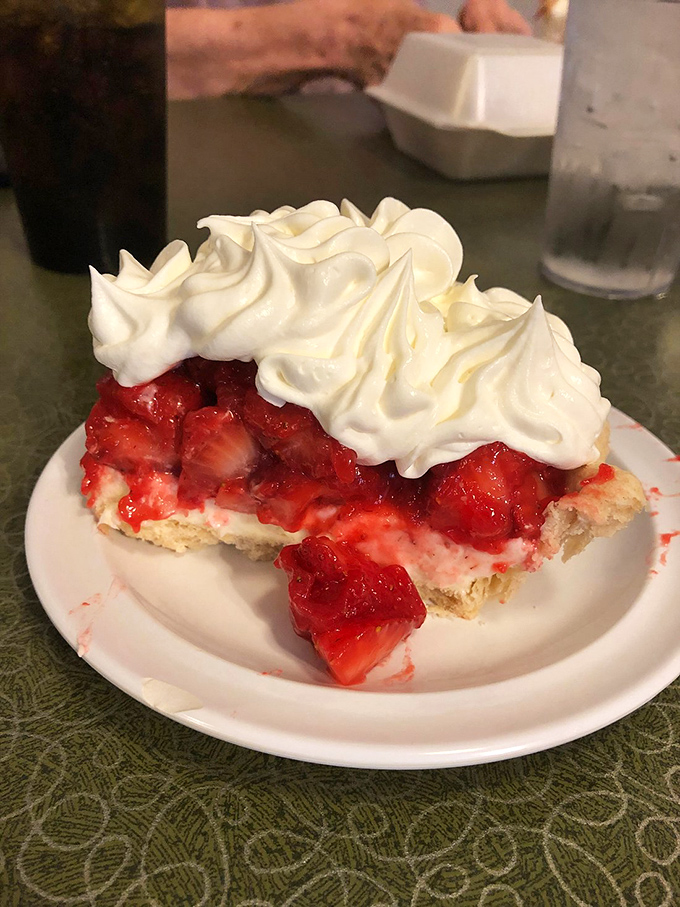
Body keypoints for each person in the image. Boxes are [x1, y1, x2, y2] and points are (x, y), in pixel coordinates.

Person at [166, 0, 532, 100]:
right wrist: (339, 35)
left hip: (370, 150)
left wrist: (482, 21)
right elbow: (115, 42)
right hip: (181, 160)